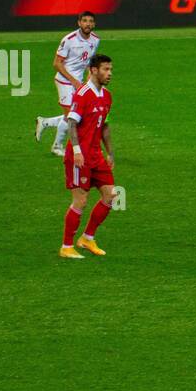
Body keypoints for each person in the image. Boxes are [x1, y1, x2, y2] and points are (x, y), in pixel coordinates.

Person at [59, 55, 119, 259]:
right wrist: (76, 151)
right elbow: (72, 124)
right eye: (105, 69)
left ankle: (87, 238)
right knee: (80, 201)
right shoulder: (82, 94)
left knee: (111, 195)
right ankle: (66, 247)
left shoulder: (107, 96)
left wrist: (110, 152)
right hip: (79, 157)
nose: (109, 73)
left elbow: (105, 126)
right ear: (93, 70)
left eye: (110, 69)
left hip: (96, 156)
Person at [36, 11, 99, 156]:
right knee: (72, 116)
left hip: (79, 82)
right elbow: (57, 64)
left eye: (90, 21)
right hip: (65, 81)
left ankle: (45, 122)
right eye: (84, 21)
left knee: (76, 115)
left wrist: (89, 80)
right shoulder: (69, 39)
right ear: (79, 23)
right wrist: (74, 81)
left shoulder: (95, 40)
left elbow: (90, 61)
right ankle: (57, 147)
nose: (88, 24)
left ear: (94, 24)